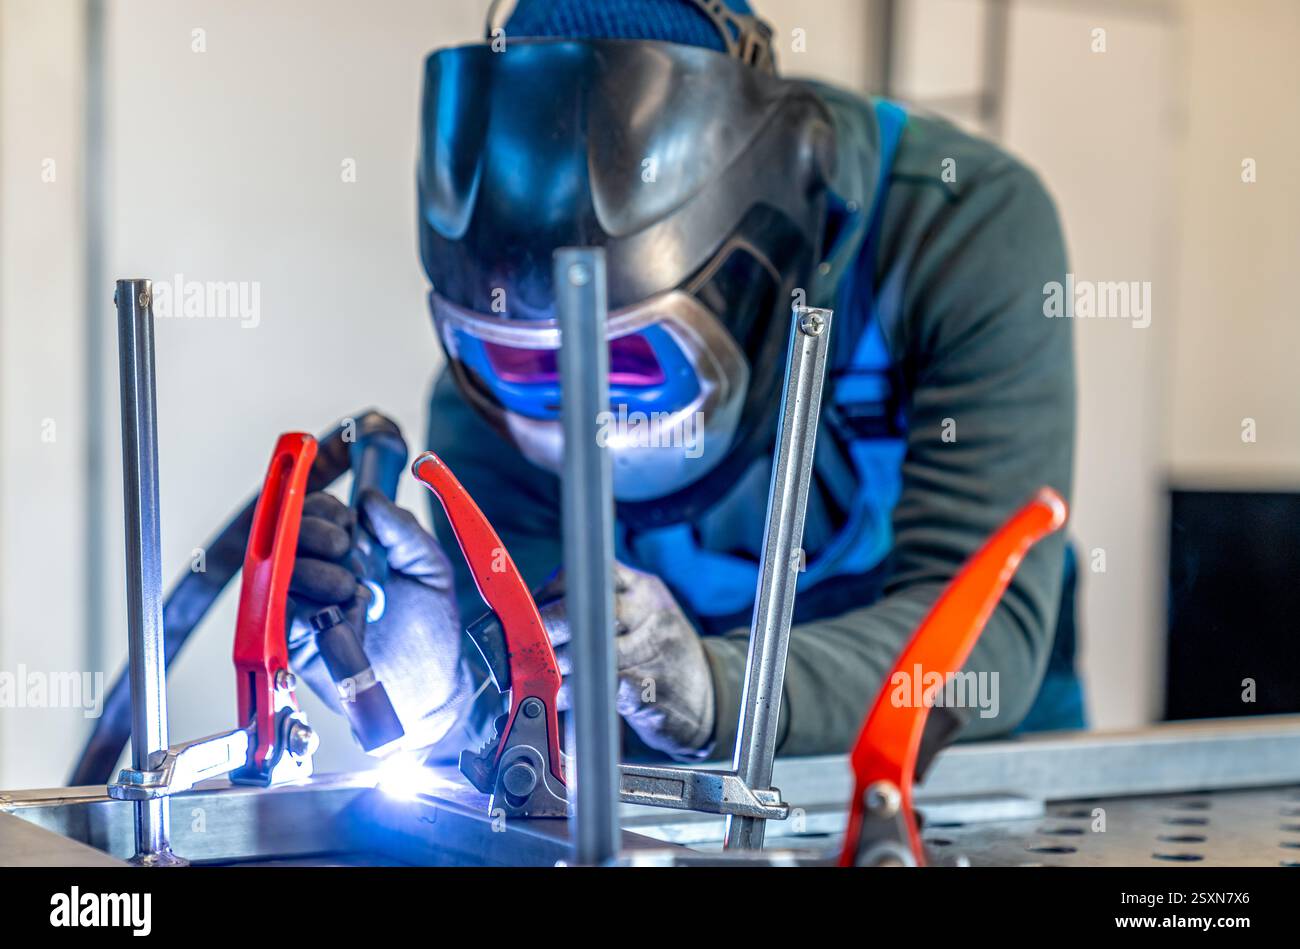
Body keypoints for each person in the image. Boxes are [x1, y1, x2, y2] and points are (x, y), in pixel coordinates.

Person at [287, 0, 1080, 765]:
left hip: (944, 759)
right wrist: (445, 698)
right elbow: (545, 715)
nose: (578, 406)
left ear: (751, 277)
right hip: (671, 781)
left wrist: (719, 690)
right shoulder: (485, 392)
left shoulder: (962, 226)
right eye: (531, 362)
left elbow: (984, 629)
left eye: (628, 358)